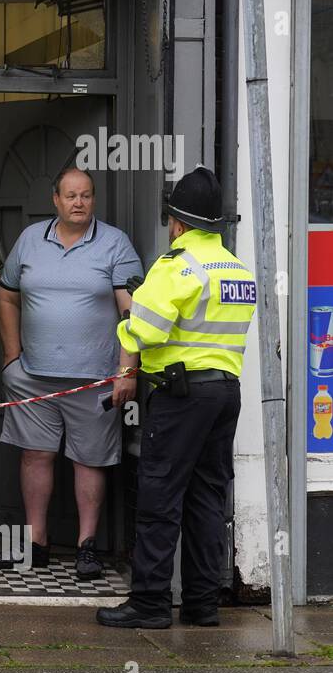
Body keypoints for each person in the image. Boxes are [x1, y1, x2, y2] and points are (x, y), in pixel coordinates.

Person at [97, 166, 255, 628]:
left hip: (181, 395)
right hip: (226, 393)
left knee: (160, 497)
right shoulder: (236, 269)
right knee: (207, 500)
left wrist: (129, 313)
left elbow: (145, 332)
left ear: (178, 223)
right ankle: (203, 605)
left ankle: (149, 603)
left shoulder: (176, 265)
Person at [0, 167, 142, 578]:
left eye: (87, 196)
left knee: (88, 461)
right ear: (55, 199)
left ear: (93, 200)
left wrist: (126, 370)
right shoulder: (30, 240)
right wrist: (11, 357)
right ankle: (36, 543)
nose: (79, 203)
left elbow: (133, 313)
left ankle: (87, 547)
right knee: (35, 455)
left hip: (94, 379)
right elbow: (6, 297)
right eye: (71, 196)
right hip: (33, 376)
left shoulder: (115, 244)